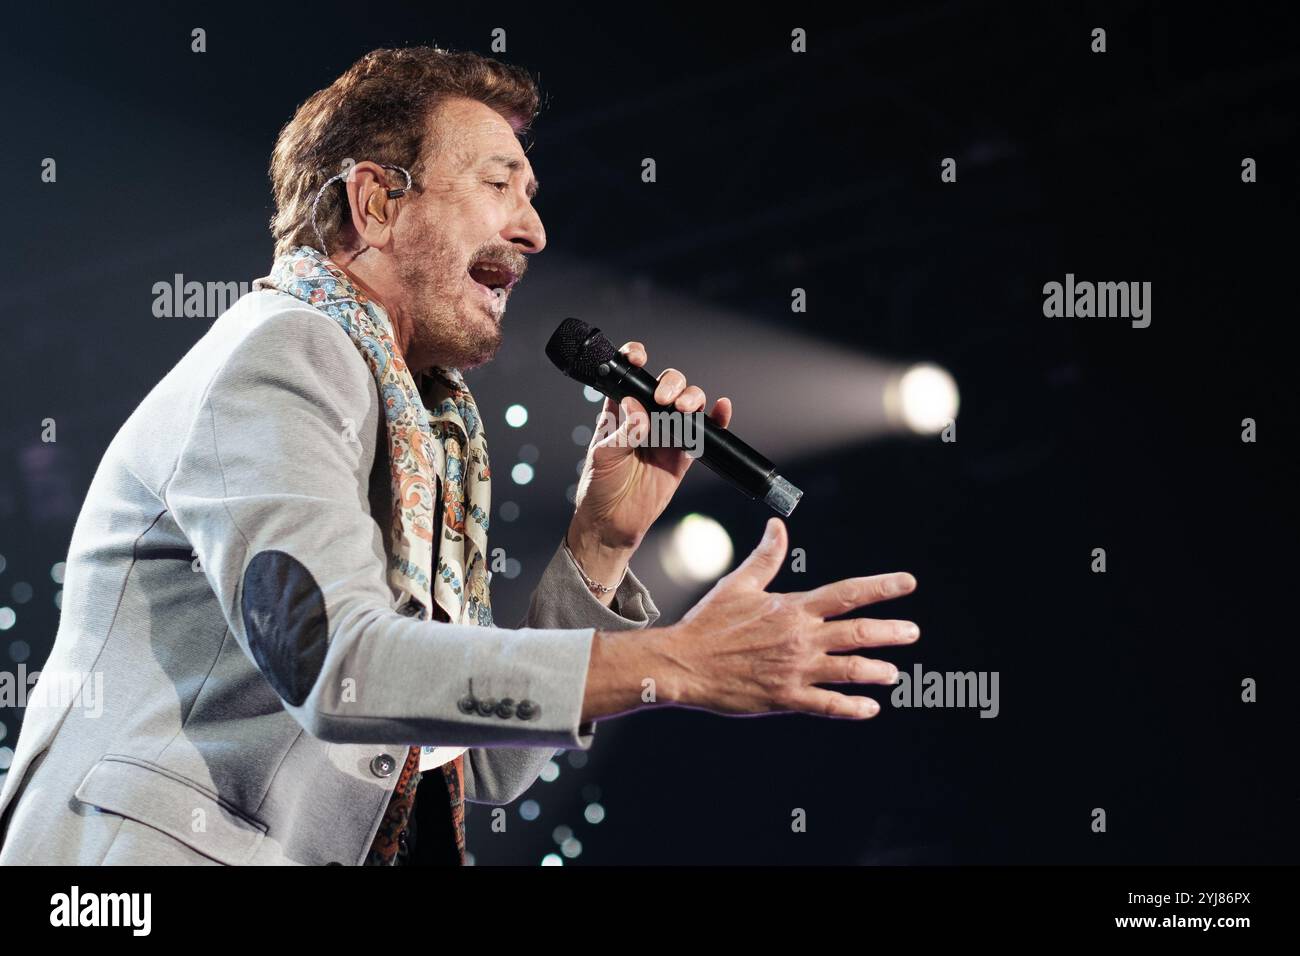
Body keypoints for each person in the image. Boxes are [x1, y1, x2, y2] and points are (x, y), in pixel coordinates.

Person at [0, 47, 919, 866]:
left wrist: (599, 541)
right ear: (375, 201)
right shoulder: (284, 350)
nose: (534, 230)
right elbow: (340, 667)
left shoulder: (427, 429)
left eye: (532, 194)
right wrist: (676, 660)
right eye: (499, 184)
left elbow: (480, 761)